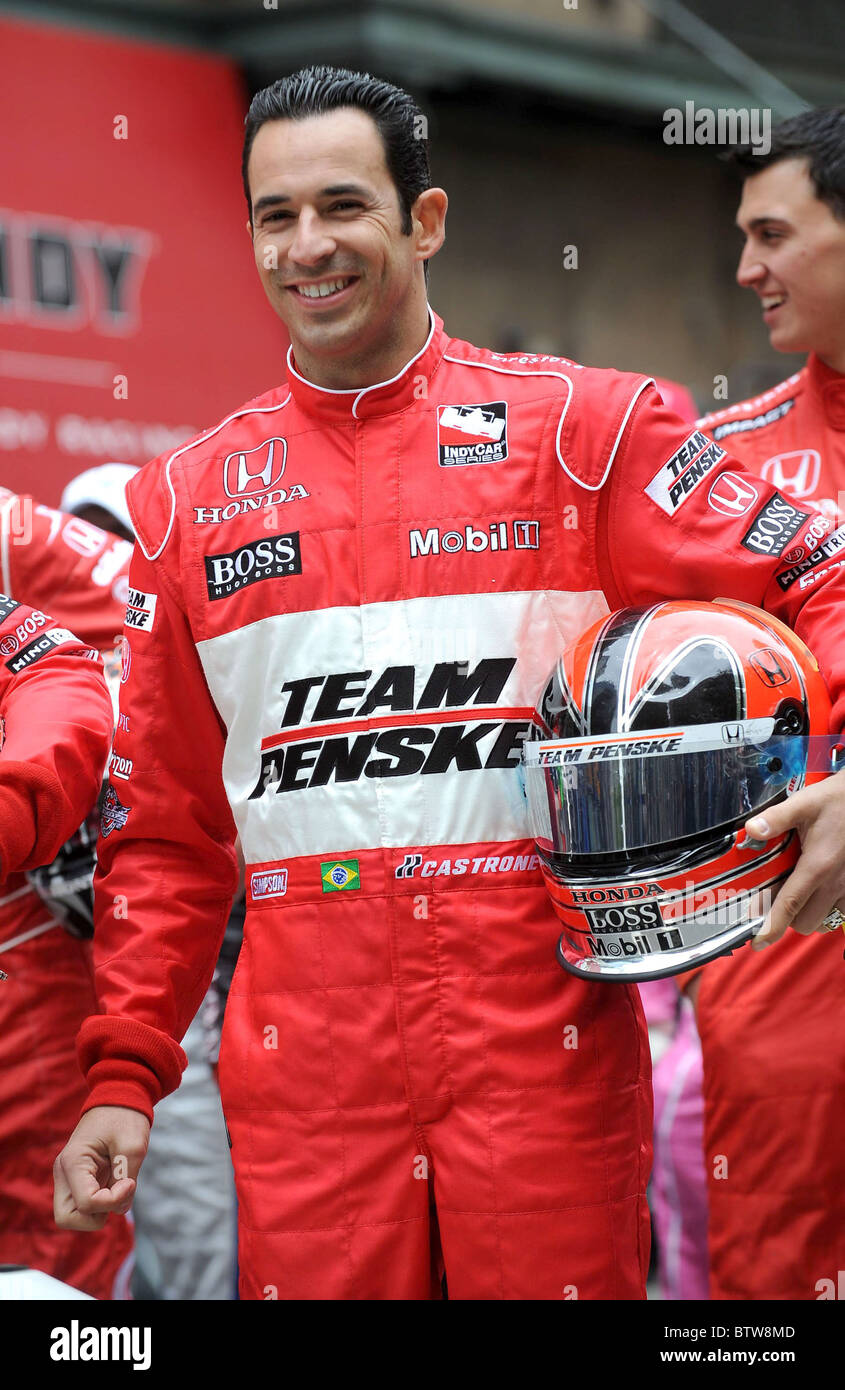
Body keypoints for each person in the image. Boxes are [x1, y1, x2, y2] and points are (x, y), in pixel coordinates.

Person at [54, 67, 845, 1301]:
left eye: (341, 205)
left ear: (423, 221)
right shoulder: (184, 502)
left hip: (543, 1064)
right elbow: (162, 835)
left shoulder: (583, 435)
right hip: (305, 1090)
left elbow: (824, 566)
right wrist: (125, 1073)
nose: (306, 246)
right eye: (274, 215)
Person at [687, 107, 845, 1300]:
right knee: (775, 1280)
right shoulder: (715, 463)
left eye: (769, 234)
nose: (743, 268)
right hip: (784, 953)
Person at [0, 490, 134, 1298]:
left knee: (55, 1265)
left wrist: (23, 807)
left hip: (28, 966)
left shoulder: (11, 530)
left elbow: (63, 661)